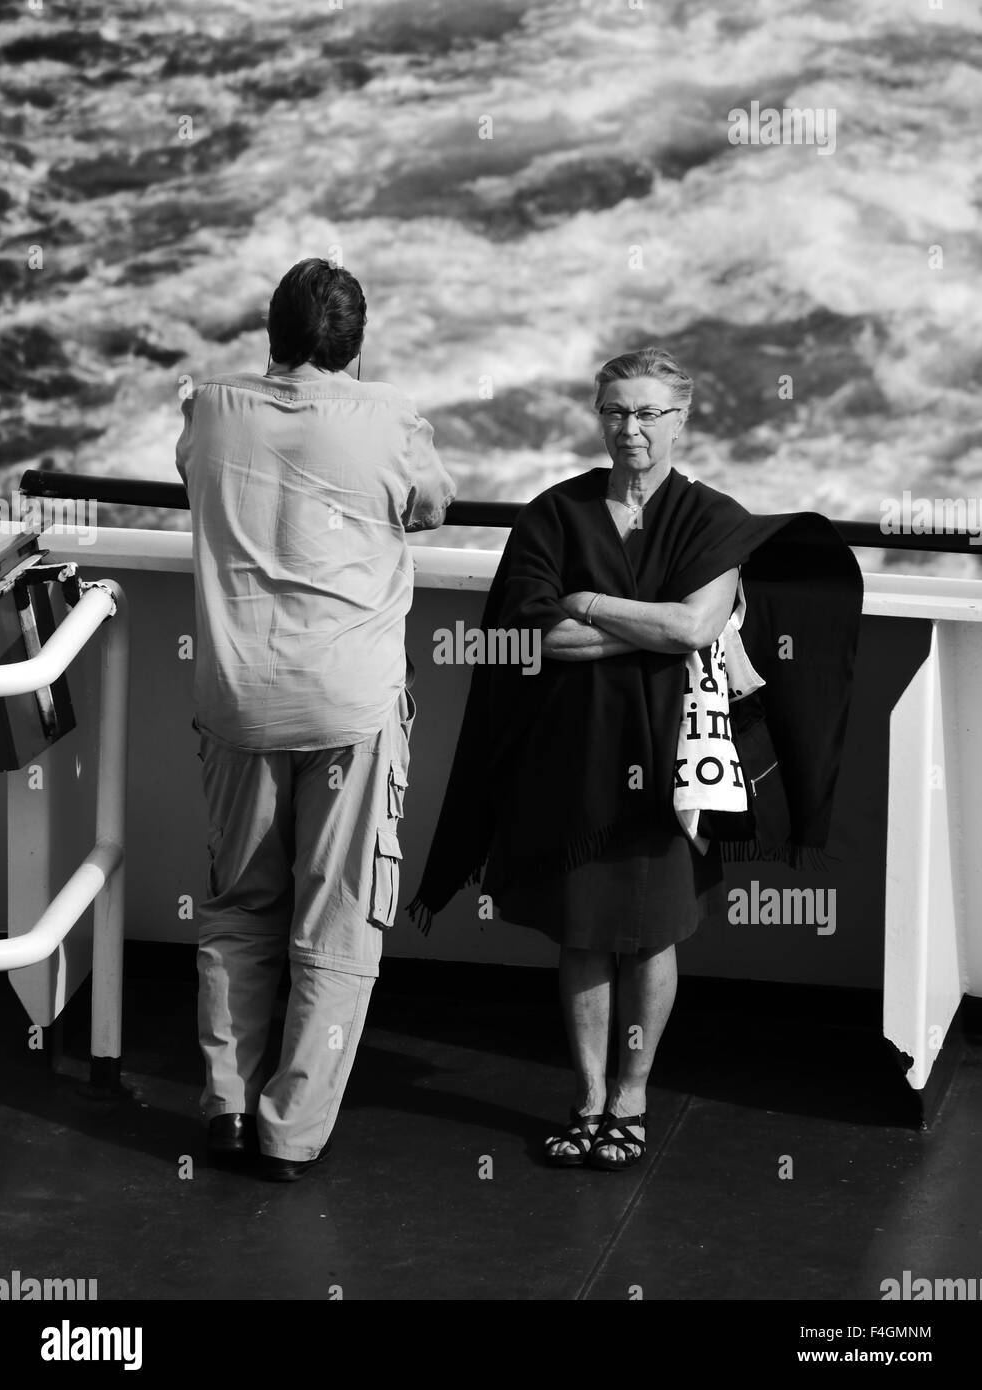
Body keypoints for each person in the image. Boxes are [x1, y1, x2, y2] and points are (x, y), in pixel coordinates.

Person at [408, 346, 862, 1172]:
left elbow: (691, 630)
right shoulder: (553, 514)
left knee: (651, 935)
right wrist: (630, 622)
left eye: (650, 413)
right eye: (616, 411)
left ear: (682, 420)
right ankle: (586, 1098)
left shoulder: (712, 517)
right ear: (599, 417)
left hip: (673, 761)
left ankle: (632, 1099)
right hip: (568, 761)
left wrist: (581, 601)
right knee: (581, 935)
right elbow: (527, 635)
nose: (631, 429)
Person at [176, 258, 456, 1181]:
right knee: (333, 922)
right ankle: (288, 1134)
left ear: (272, 334)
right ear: (356, 343)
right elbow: (432, 507)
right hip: (346, 708)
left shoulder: (209, 408)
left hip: (235, 700)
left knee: (237, 907)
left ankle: (223, 1107)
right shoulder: (389, 418)